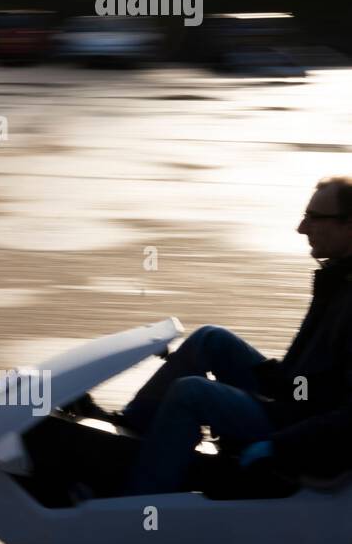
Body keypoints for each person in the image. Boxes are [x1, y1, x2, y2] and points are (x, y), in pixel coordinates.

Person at [77, 176, 352, 494]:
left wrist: (278, 447)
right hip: (296, 405)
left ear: (349, 225)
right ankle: (131, 430)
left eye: (315, 218)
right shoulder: (338, 280)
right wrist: (271, 376)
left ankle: (135, 501)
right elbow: (308, 377)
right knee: (211, 339)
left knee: (191, 393)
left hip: (303, 433)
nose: (302, 228)